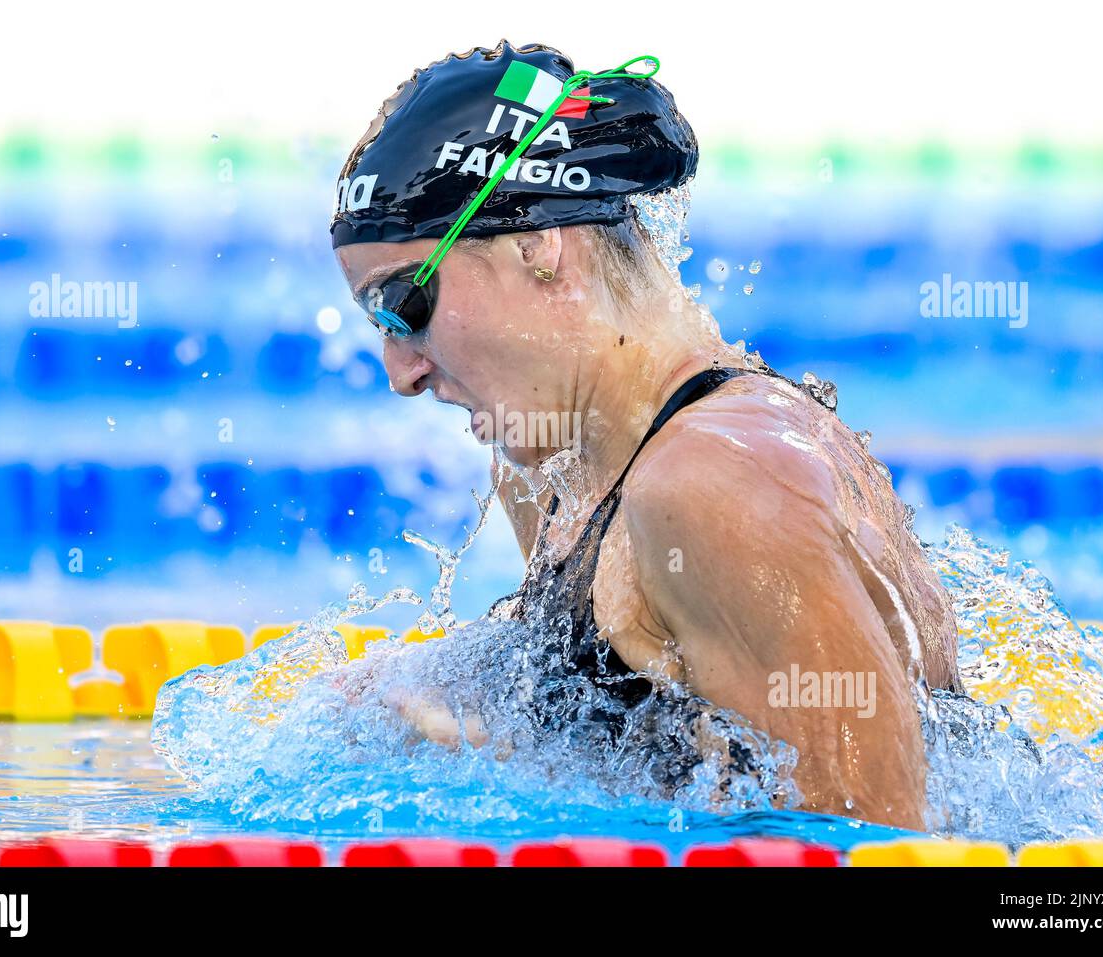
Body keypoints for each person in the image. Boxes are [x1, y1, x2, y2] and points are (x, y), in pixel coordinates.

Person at [331, 40, 959, 829]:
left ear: (537, 246)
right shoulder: (552, 472)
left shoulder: (716, 482)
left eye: (404, 306)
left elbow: (877, 843)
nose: (400, 371)